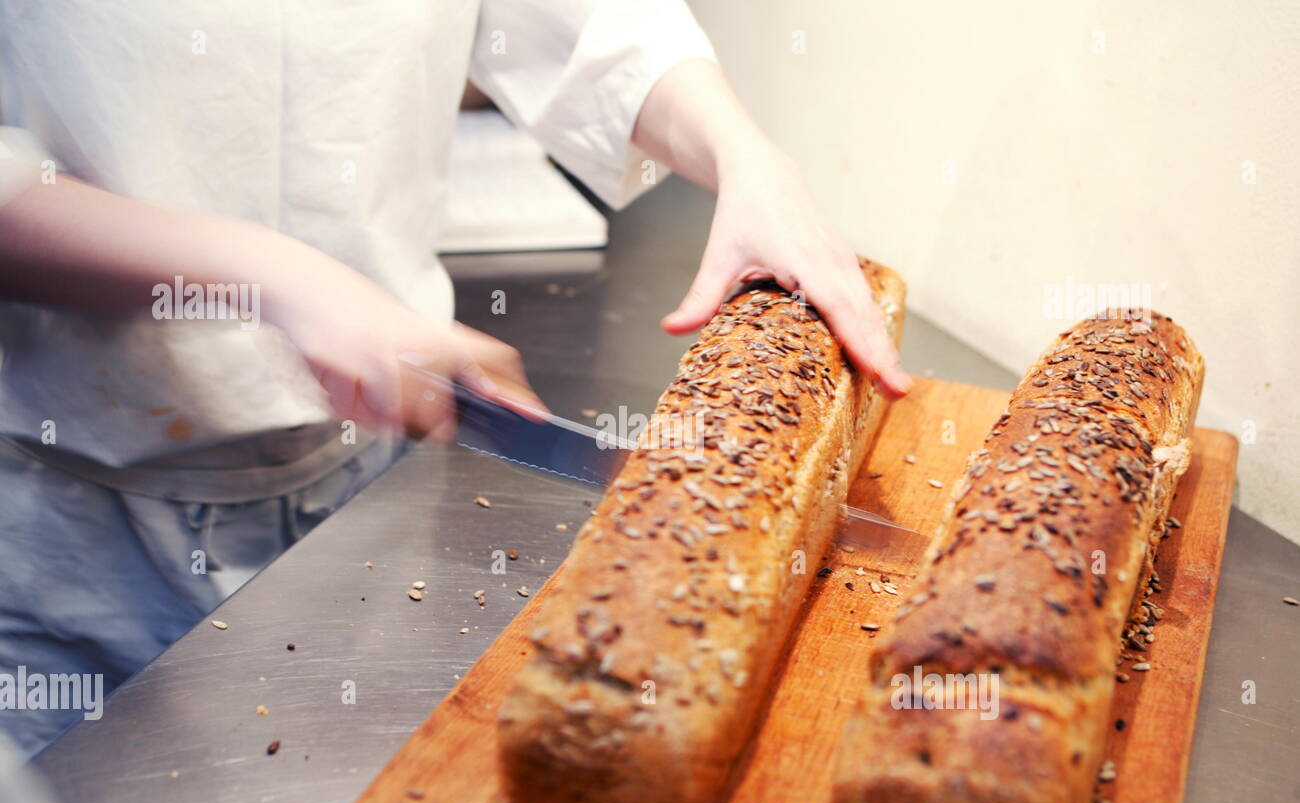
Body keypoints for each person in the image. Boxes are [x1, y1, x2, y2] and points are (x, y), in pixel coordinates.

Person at [0, 1, 910, 756]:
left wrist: (741, 151)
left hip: (370, 491)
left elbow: (582, 23)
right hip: (70, 527)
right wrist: (274, 277)